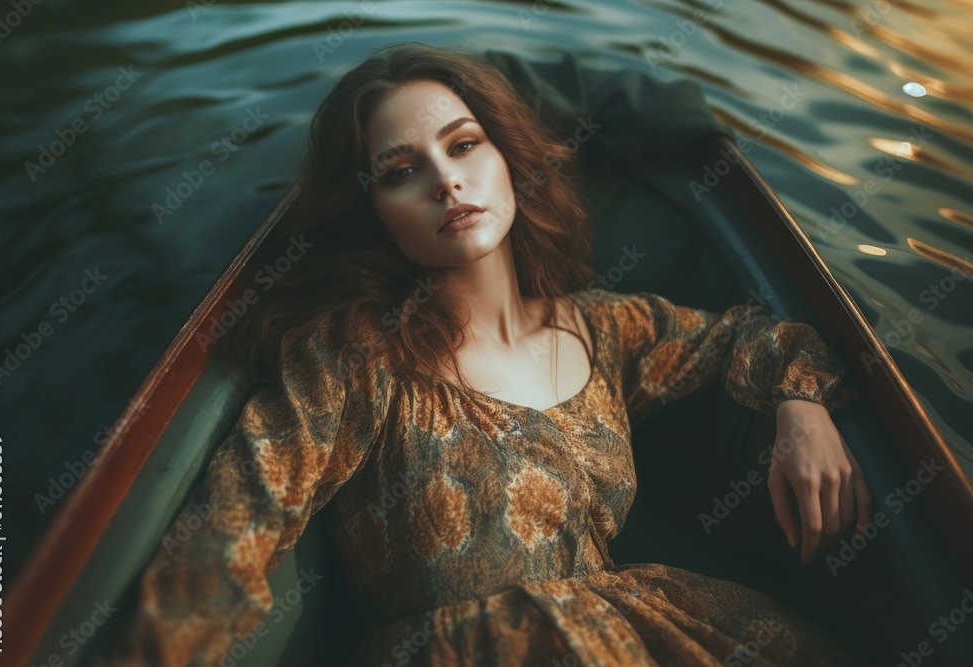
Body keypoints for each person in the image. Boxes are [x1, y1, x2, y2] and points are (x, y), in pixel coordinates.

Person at [99, 42, 870, 666]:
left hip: (637, 636)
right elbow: (235, 524)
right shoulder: (359, 354)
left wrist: (801, 409)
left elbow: (745, 335)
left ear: (508, 160)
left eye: (464, 145)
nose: (446, 181)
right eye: (401, 172)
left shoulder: (602, 328)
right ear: (374, 213)